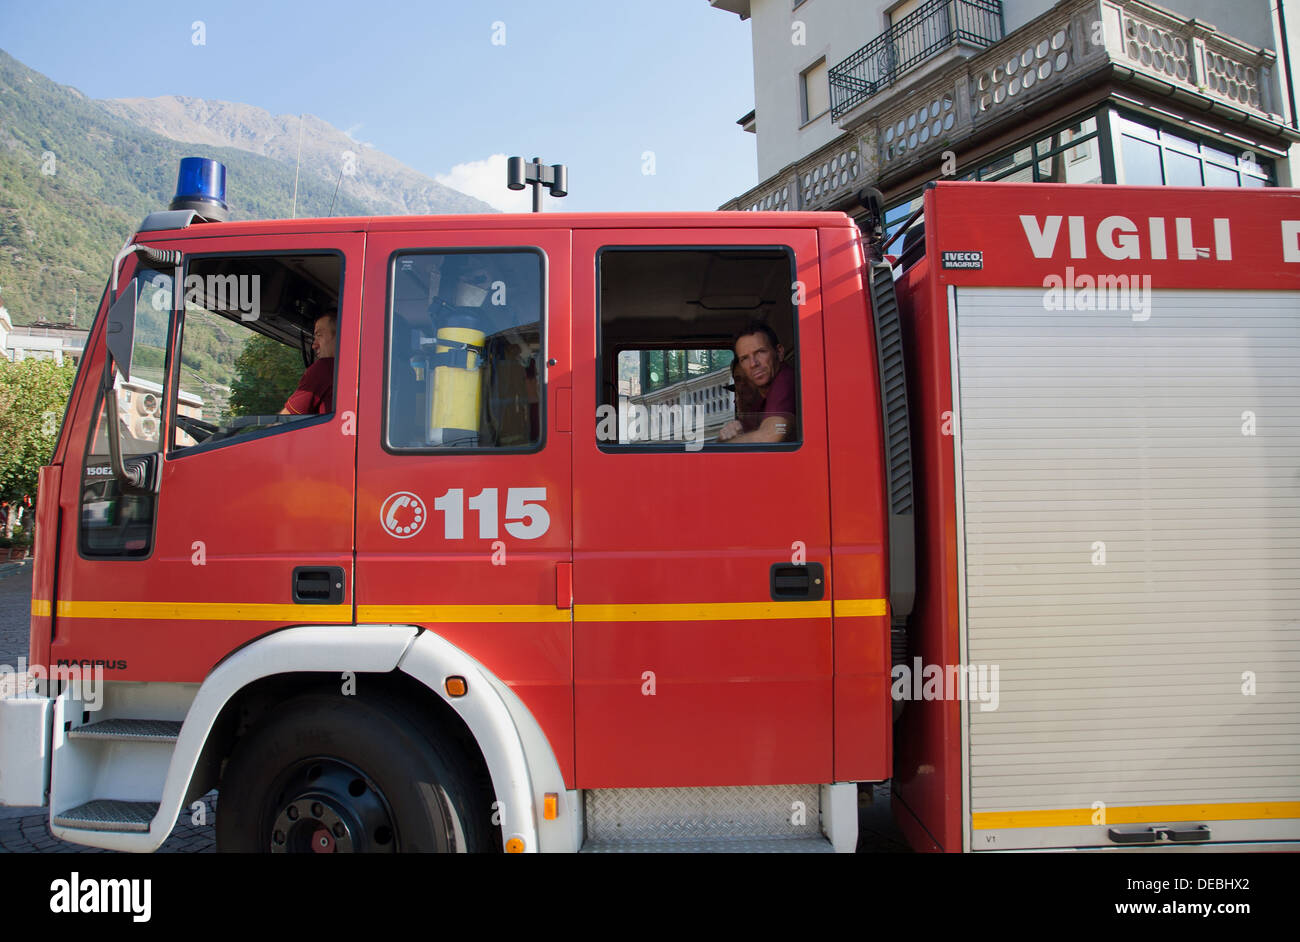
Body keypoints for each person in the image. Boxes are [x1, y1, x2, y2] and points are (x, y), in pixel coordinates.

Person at [718, 321, 796, 443]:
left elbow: (769, 437)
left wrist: (725, 445)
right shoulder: (760, 396)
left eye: (760, 352)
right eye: (744, 358)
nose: (753, 364)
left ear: (779, 353)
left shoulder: (785, 379)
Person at [280, 313, 336, 415]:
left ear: (340, 336)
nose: (314, 345)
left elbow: (285, 420)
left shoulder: (325, 368)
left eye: (319, 335)